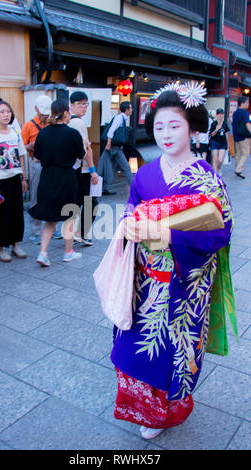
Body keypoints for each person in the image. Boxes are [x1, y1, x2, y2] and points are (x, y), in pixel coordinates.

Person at [110, 84, 235, 439]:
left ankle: (165, 411)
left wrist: (169, 237)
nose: (165, 134)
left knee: (173, 351)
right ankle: (142, 406)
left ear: (193, 128)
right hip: (145, 279)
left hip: (185, 284)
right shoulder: (147, 173)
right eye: (159, 126)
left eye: (174, 126)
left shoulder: (208, 179)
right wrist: (130, 225)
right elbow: (132, 208)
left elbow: (220, 233)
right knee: (136, 345)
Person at [29, 99, 87, 267]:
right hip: (66, 178)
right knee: (69, 216)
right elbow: (81, 155)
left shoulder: (43, 133)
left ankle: (43, 252)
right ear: (66, 113)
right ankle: (68, 253)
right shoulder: (72, 133)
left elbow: (36, 157)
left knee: (50, 218)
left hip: (47, 178)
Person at [0, 100, 28, 262]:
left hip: (15, 178)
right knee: (0, 215)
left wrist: (24, 177)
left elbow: (21, 156)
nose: (6, 115)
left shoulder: (15, 133)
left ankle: (16, 244)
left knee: (17, 213)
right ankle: (0, 248)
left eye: (8, 112)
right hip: (0, 182)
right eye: (2, 112)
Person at [21, 94, 52, 244]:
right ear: (36, 110)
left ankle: (52, 226)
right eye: (43, 114)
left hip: (51, 163)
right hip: (36, 163)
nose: (45, 116)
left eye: (47, 114)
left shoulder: (52, 124)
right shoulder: (28, 126)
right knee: (36, 196)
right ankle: (35, 231)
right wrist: (30, 146)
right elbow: (21, 148)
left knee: (52, 194)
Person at [68, 91, 98, 246]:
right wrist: (93, 171)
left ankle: (74, 233)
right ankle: (81, 233)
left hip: (73, 170)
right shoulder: (78, 123)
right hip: (83, 170)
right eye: (80, 104)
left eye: (86, 104)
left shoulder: (70, 122)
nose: (84, 107)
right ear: (72, 105)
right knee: (91, 203)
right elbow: (86, 150)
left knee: (78, 202)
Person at [98, 101, 133, 195]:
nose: (131, 110)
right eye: (130, 108)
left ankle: (105, 188)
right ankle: (134, 189)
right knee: (126, 167)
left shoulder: (122, 118)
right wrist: (108, 144)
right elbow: (111, 131)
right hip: (114, 148)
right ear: (126, 109)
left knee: (109, 167)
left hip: (115, 147)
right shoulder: (119, 118)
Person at [232, 96, 251, 179]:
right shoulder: (245, 112)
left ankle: (237, 168)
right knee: (246, 153)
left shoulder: (235, 113)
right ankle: (238, 170)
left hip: (236, 136)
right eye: (247, 102)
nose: (248, 104)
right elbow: (247, 124)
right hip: (244, 136)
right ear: (242, 103)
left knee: (238, 154)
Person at [209, 108, 229, 175]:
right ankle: (214, 174)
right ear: (216, 115)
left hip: (222, 143)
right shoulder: (213, 124)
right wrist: (216, 129)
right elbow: (211, 134)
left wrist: (228, 144)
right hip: (214, 142)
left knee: (220, 160)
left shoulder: (225, 124)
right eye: (219, 114)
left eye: (221, 114)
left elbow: (226, 134)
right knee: (215, 159)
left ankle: (218, 168)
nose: (220, 115)